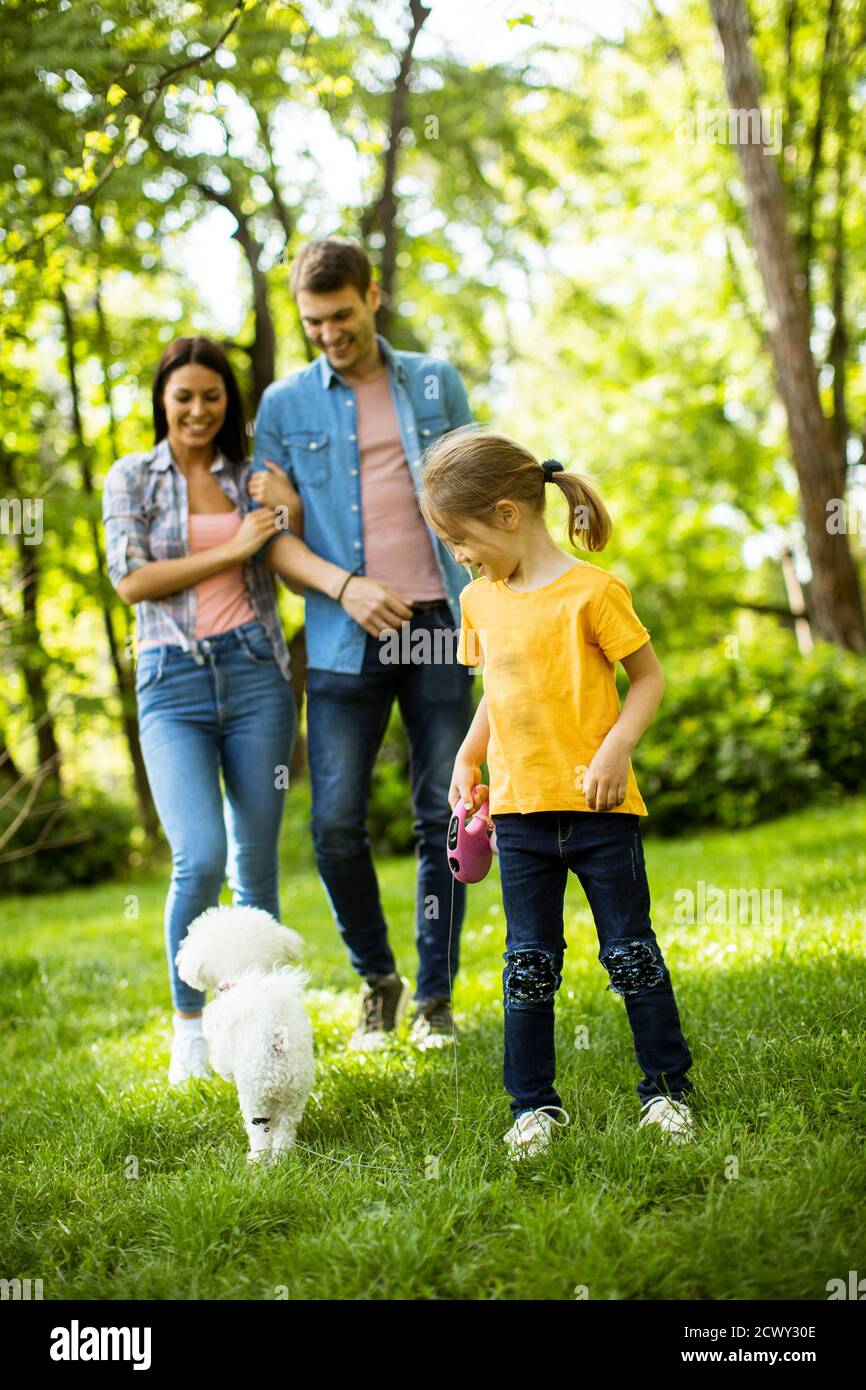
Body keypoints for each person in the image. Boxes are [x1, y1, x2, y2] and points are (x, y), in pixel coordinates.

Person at [419, 428, 694, 1157]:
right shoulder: (479, 602)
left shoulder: (593, 592)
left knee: (631, 951)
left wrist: (616, 748)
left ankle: (666, 1092)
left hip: (601, 815)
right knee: (528, 962)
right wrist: (469, 754)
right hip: (517, 818)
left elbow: (650, 679)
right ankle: (532, 1108)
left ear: (508, 514)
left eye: (459, 538)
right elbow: (497, 691)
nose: (460, 557)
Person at [247, 237, 476, 1051]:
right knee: (335, 825)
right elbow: (271, 539)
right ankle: (378, 978)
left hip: (443, 624)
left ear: (371, 296)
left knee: (440, 814)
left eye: (340, 316)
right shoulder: (283, 406)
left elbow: (479, 488)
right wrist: (345, 585)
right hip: (346, 635)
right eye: (313, 322)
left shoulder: (433, 380)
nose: (329, 334)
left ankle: (436, 1000)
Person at [102, 337, 293, 1085]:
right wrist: (233, 547)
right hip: (171, 682)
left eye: (212, 396)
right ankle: (191, 1025)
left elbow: (291, 532)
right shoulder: (131, 478)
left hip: (255, 679)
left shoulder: (250, 478)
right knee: (201, 856)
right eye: (184, 396)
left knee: (258, 864)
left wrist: (281, 506)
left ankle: (263, 1026)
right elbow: (131, 580)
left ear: (228, 403)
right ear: (162, 399)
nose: (198, 410)